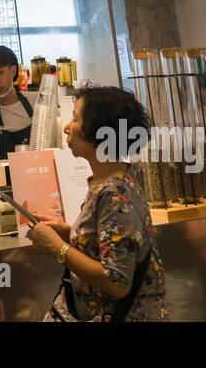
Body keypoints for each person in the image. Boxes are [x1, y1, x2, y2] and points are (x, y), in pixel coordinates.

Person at [29, 86, 168, 322]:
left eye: (75, 119)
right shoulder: (108, 181)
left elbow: (117, 282)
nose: (67, 127)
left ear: (98, 135)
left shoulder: (115, 195)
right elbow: (111, 242)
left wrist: (57, 248)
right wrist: (70, 232)